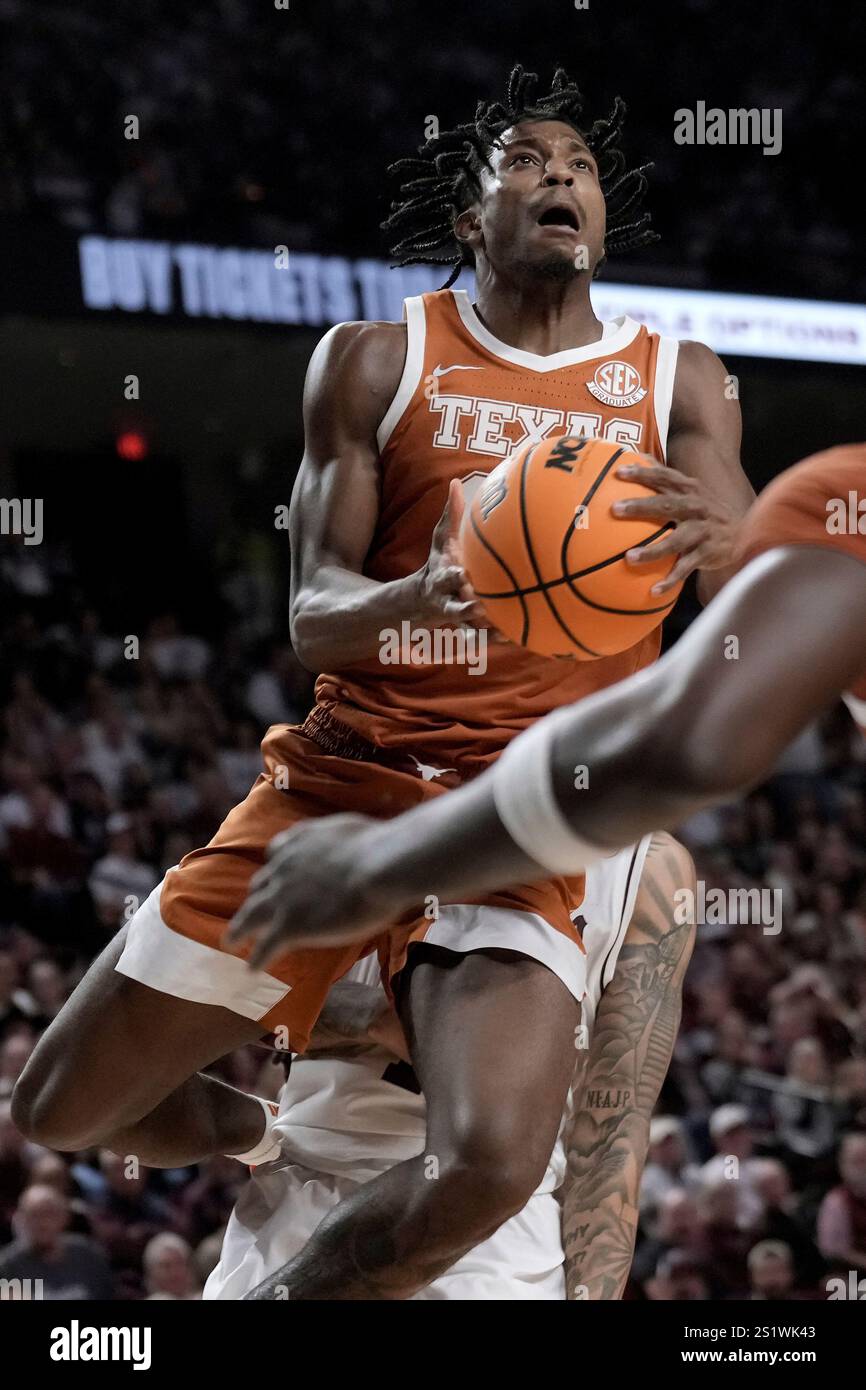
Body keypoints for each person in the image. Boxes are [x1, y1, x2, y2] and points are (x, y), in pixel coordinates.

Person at [13, 63, 751, 1300]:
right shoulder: (374, 359)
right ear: (469, 216)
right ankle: (260, 1130)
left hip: (515, 809)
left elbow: (753, 582)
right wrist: (418, 596)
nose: (560, 177)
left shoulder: (679, 377)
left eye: (577, 165)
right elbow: (313, 617)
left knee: (492, 1161)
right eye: (525, 161)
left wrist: (736, 544)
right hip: (344, 780)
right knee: (59, 1107)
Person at [234, 444, 866, 966]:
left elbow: (691, 745)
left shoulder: (842, 495)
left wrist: (374, 865)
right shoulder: (368, 363)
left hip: (527, 820)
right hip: (375, 762)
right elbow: (311, 623)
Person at [207, 834, 696, 1299]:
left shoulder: (649, 868)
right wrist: (374, 1016)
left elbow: (611, 1131)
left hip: (496, 1242)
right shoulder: (350, 789)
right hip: (304, 1192)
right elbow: (221, 991)